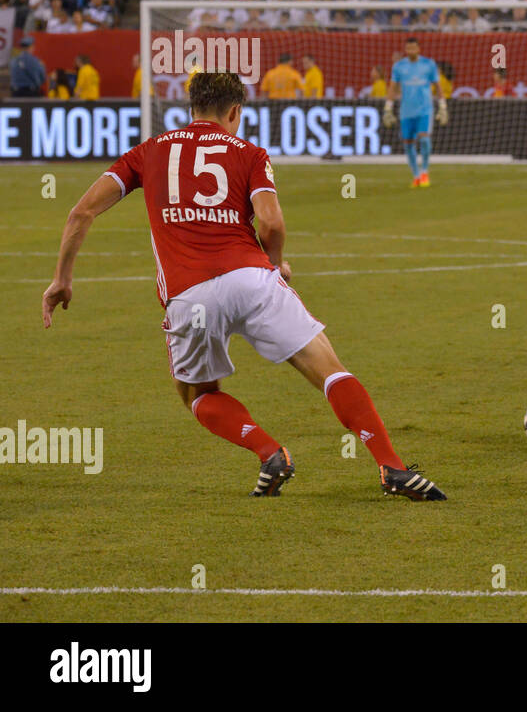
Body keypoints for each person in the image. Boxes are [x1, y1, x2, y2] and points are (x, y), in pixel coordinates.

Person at [41, 71, 445, 499]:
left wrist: (62, 279)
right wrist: (274, 267)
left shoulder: (148, 152)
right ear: (235, 111)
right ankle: (392, 467)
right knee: (330, 370)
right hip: (253, 281)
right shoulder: (250, 153)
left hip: (189, 295)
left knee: (198, 395)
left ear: (190, 108)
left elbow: (80, 213)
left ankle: (269, 452)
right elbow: (271, 222)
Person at [384, 38, 443, 187]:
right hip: (406, 111)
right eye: (408, 48)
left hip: (425, 109)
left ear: (419, 49)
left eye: (413, 48)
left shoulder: (429, 64)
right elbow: (393, 87)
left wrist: (443, 106)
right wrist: (388, 107)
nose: (411, 51)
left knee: (424, 138)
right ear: (406, 50)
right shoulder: (398, 67)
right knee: (408, 144)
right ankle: (416, 175)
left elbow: (437, 85)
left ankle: (425, 171)